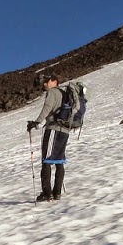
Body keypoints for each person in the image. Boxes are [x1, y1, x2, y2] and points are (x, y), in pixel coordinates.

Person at [28, 73, 74, 201]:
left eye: (47, 81)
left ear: (54, 81)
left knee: (46, 160)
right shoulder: (65, 93)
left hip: (53, 129)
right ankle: (57, 192)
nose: (44, 84)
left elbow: (47, 108)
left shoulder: (52, 92)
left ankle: (47, 193)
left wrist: (37, 122)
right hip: (64, 130)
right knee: (59, 160)